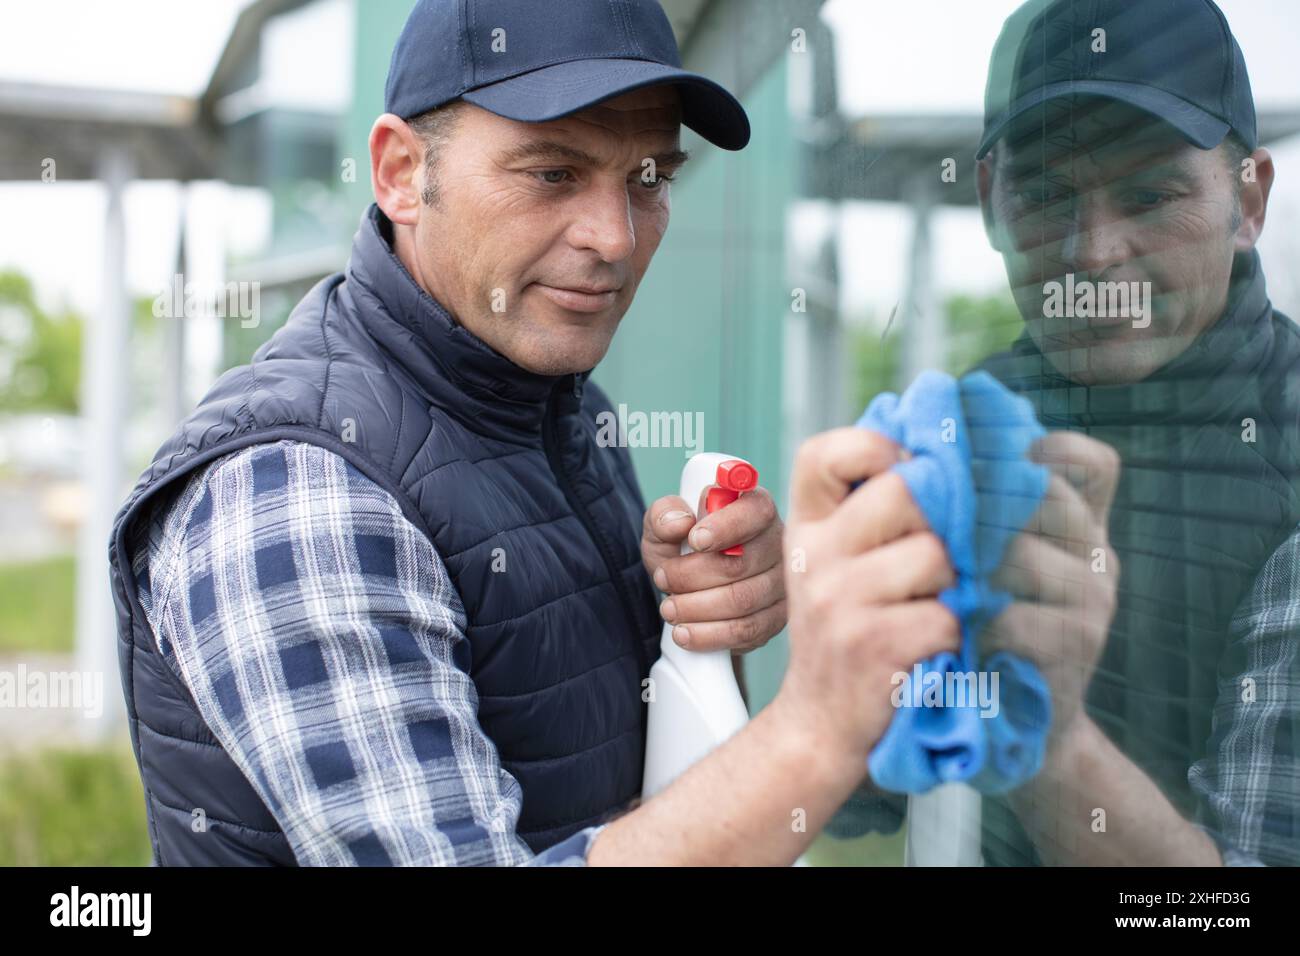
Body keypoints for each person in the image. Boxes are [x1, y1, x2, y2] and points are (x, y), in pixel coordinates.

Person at [107, 0, 961, 866]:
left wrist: (703, 644)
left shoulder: (558, 407)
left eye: (650, 178)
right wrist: (810, 730)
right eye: (554, 172)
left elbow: (624, 808)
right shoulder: (294, 488)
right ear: (402, 172)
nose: (615, 238)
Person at [966, 0, 1298, 865]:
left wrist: (1040, 729)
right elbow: (847, 799)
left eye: (1151, 194)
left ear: (1249, 199)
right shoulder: (964, 426)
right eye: (1045, 194)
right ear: (989, 202)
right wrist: (746, 617)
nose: (1093, 253)